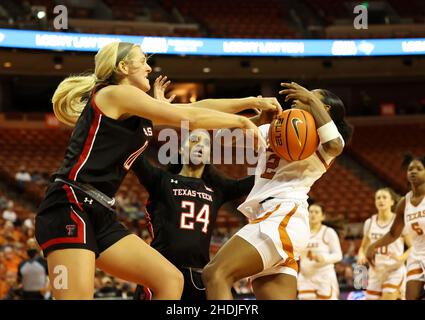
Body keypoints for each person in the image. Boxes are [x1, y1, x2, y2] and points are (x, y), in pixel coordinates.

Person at [34, 41, 281, 300]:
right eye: (142, 61)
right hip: (70, 205)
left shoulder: (134, 109)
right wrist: (242, 121)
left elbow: (195, 108)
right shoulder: (114, 94)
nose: (149, 68)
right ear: (123, 66)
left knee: (168, 279)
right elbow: (192, 120)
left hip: (100, 211)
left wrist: (252, 102)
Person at [202, 82, 353, 300]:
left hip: (282, 216)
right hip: (269, 219)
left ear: (324, 108)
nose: (299, 97)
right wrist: (257, 121)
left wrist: (310, 100)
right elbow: (222, 140)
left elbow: (335, 145)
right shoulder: (279, 127)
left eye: (310, 96)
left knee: (215, 273)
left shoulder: (323, 141)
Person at [132, 128, 255, 300]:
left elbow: (255, 180)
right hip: (161, 270)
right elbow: (133, 155)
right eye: (194, 140)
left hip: (198, 277)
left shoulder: (216, 189)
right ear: (182, 148)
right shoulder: (162, 181)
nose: (200, 145)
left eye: (206, 144)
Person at [366, 155, 425, 300]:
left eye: (419, 169)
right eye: (410, 169)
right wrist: (372, 246)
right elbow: (393, 233)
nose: (413, 171)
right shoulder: (404, 203)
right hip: (417, 255)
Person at [358, 188, 412, 300]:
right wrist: (361, 256)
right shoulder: (369, 222)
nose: (381, 200)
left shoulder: (399, 222)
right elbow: (363, 247)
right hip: (375, 271)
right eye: (378, 198)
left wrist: (401, 258)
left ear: (392, 202)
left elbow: (412, 247)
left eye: (384, 197)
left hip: (394, 270)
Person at [297, 203, 342, 300]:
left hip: (324, 276)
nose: (313, 214)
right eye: (311, 212)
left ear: (323, 216)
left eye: (316, 212)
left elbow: (338, 255)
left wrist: (324, 258)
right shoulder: (301, 233)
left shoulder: (328, 232)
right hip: (305, 277)